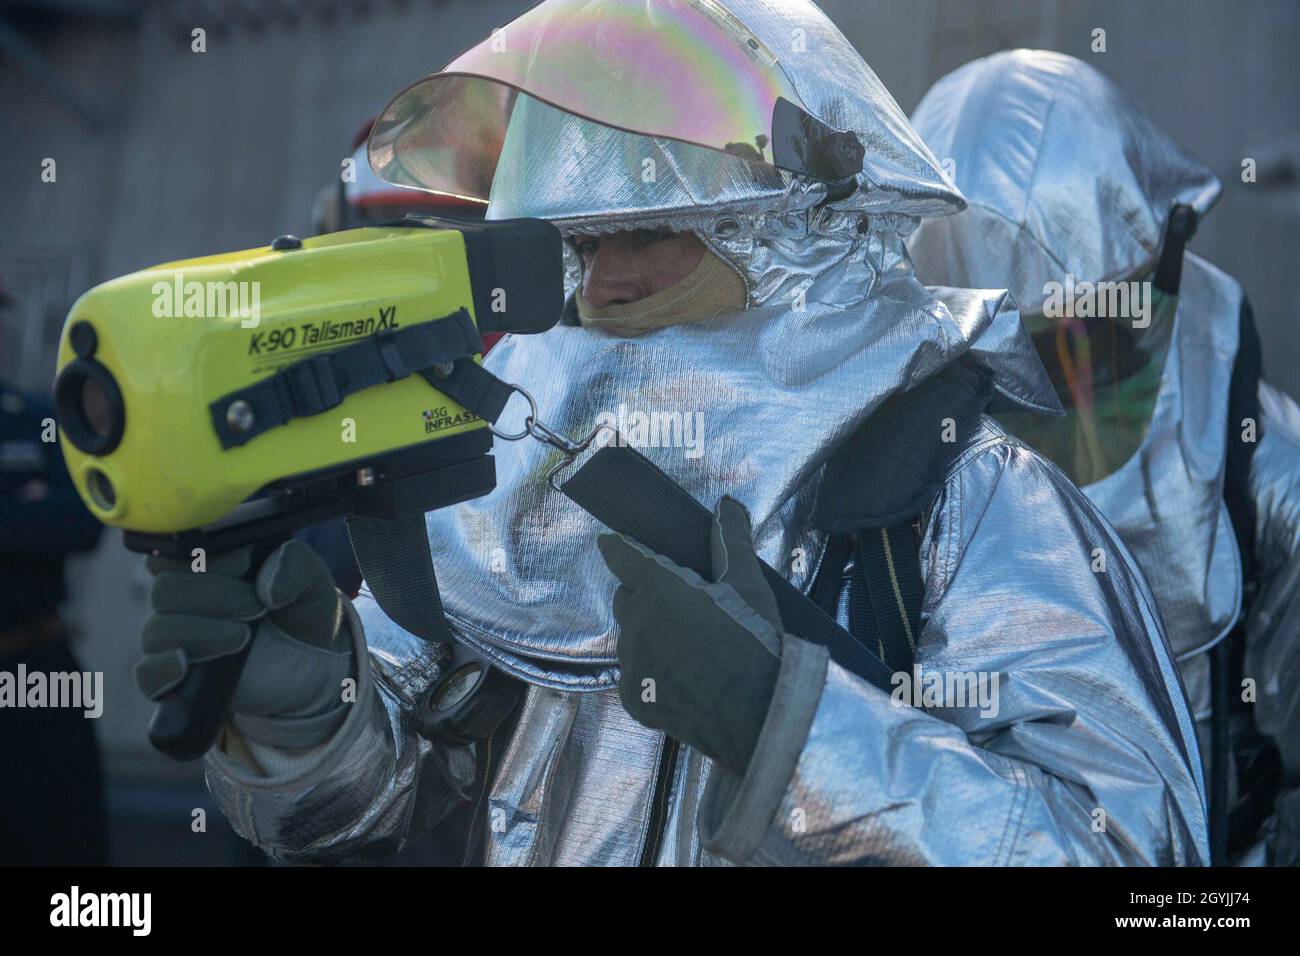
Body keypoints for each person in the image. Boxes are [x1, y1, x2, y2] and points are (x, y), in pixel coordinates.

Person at [135, 0, 1207, 865]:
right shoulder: (517, 471)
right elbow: (359, 809)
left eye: (647, 229)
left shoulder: (970, 499)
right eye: (574, 242)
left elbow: (1130, 859)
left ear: (792, 234)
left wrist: (787, 730)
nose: (602, 282)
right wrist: (305, 704)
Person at [907, 49, 1300, 864]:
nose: (1038, 400)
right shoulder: (891, 465)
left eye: (1079, 345)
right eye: (994, 363)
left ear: (1163, 259)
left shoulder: (1269, 481)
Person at [0, 369, 107, 865]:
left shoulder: (39, 419)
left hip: (36, 665)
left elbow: (85, 519)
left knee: (68, 842)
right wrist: (23, 513)